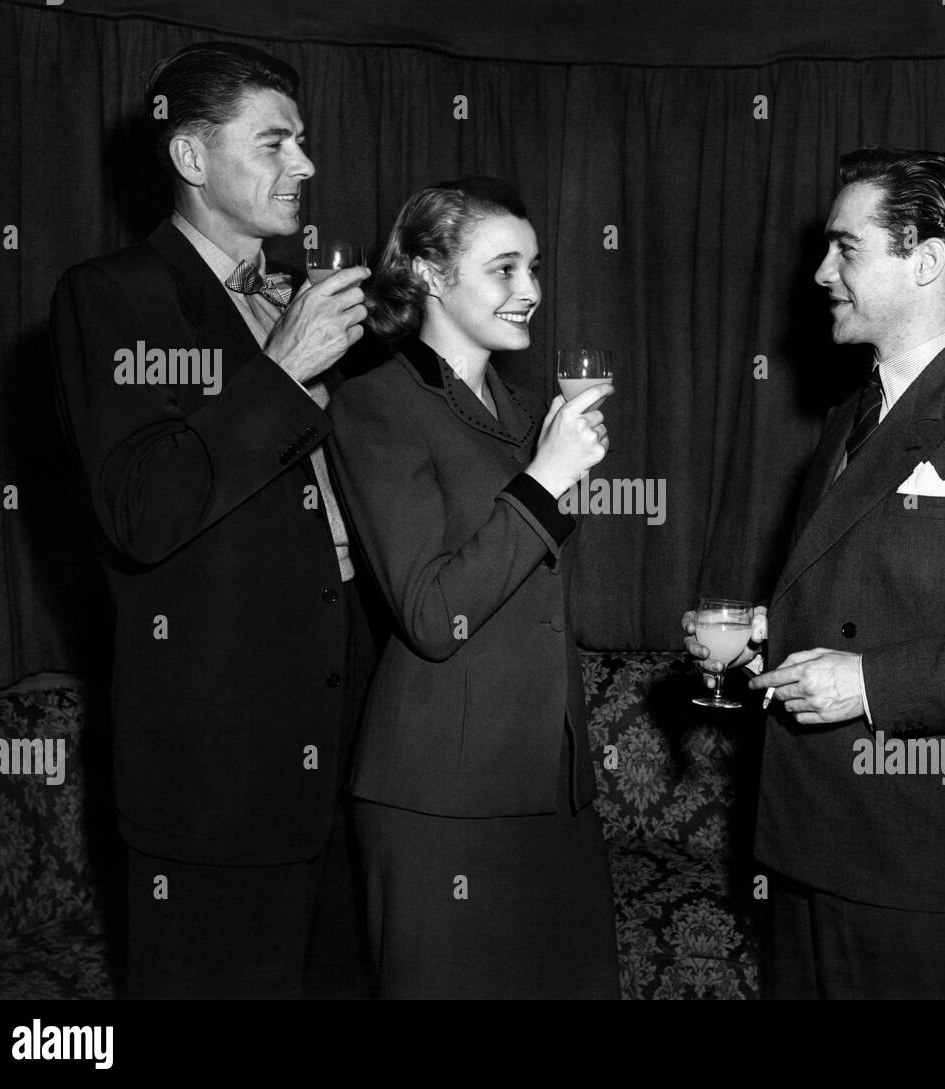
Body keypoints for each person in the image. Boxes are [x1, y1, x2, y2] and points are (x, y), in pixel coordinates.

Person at [684, 147, 945, 999]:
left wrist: (870, 683)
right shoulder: (851, 416)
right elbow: (868, 587)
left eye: (845, 249)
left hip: (915, 871)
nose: (819, 273)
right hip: (805, 838)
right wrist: (773, 629)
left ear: (925, 262)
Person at [50, 41, 375, 999]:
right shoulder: (110, 297)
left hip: (343, 757)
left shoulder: (293, 298)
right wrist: (278, 372)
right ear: (190, 159)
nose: (305, 167)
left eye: (305, 143)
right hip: (218, 779)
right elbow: (141, 513)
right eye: (275, 143)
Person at [327, 176, 621, 999]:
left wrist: (551, 471)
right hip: (438, 799)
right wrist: (545, 479)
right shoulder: (375, 404)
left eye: (533, 269)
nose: (530, 291)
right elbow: (430, 612)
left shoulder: (526, 411)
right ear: (426, 272)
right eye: (504, 269)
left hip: (554, 791)